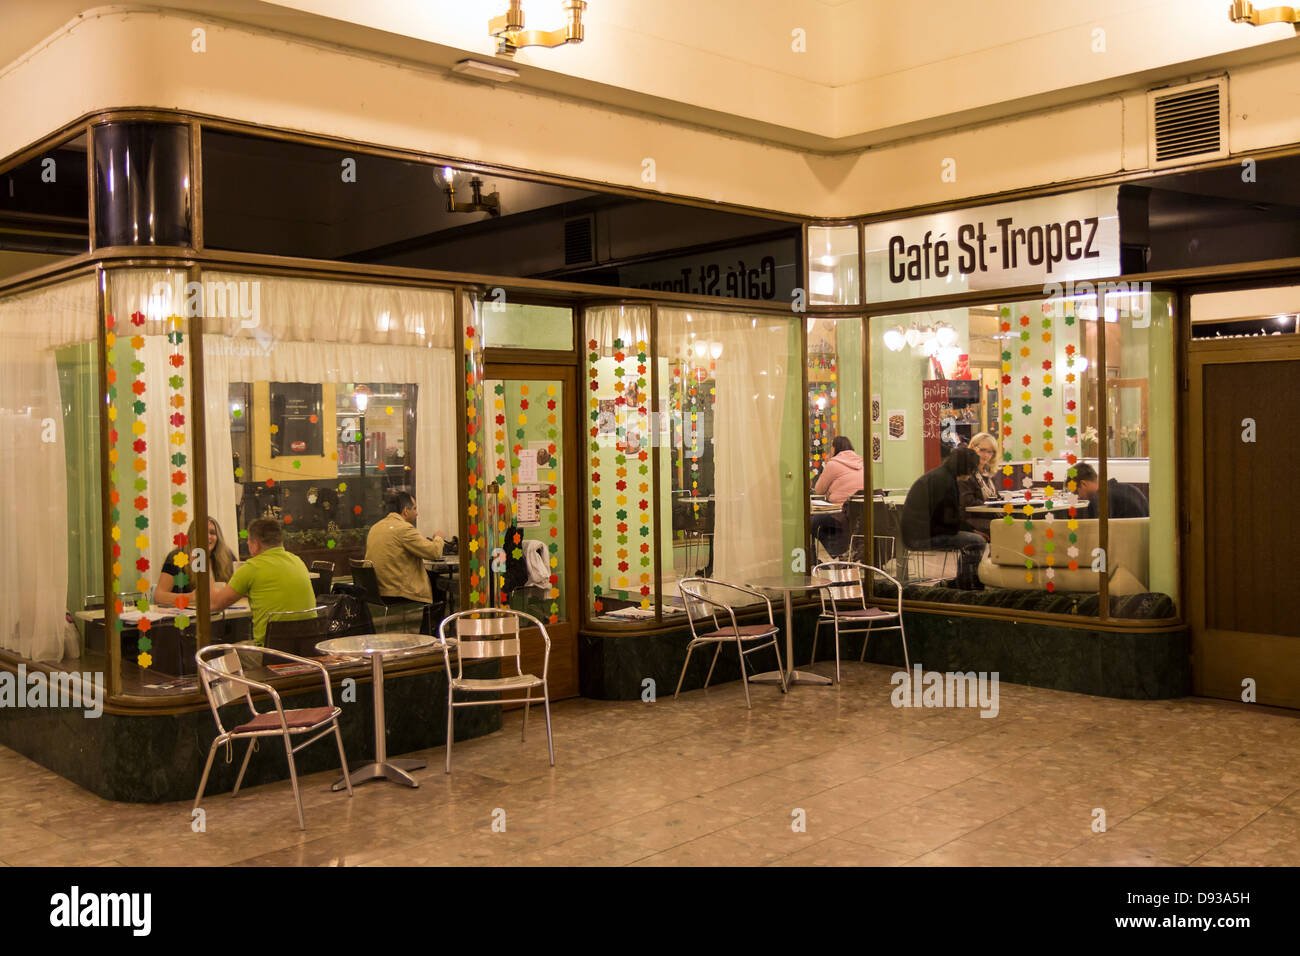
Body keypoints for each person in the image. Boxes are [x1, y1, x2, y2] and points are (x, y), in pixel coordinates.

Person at [211, 518, 316, 646]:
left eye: (248, 542)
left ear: (255, 544)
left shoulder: (252, 567)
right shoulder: (298, 561)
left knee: (225, 651)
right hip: (307, 650)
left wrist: (202, 566)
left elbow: (215, 604)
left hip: (270, 652)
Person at [901, 446, 985, 589]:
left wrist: (969, 529)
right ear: (966, 468)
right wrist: (970, 530)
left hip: (916, 533)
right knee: (977, 541)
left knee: (974, 538)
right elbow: (947, 520)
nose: (972, 474)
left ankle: (963, 581)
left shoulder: (941, 476)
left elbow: (946, 518)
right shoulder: (945, 481)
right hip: (922, 536)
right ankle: (968, 583)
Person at [364, 491, 448, 604]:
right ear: (405, 511)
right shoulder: (404, 529)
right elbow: (434, 552)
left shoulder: (375, 527)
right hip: (397, 592)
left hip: (377, 591)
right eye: (414, 508)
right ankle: (434, 617)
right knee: (439, 583)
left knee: (431, 577)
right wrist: (438, 538)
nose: (417, 513)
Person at [154, 517, 236, 607]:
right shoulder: (177, 557)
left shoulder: (227, 556)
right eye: (202, 531)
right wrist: (192, 597)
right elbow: (158, 597)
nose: (208, 536)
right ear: (192, 535)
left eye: (212, 533)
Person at [812, 435, 864, 557]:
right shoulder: (862, 463)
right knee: (821, 523)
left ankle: (835, 554)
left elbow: (818, 491)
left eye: (831, 446)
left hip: (840, 512)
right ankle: (843, 552)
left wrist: (826, 466)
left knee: (811, 522)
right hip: (860, 514)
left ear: (835, 448)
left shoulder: (833, 464)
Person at [958, 432, 1000, 537]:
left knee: (1019, 521)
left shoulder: (987, 474)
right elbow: (968, 502)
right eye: (982, 450)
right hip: (970, 520)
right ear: (973, 448)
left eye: (990, 452)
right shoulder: (965, 472)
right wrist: (993, 506)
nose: (986, 455)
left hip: (989, 516)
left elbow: (995, 497)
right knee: (1008, 526)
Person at [1073, 463, 1150, 518]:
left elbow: (1097, 532)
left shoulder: (1099, 500)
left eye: (1076, 492)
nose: (1078, 497)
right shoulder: (1129, 489)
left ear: (1083, 484)